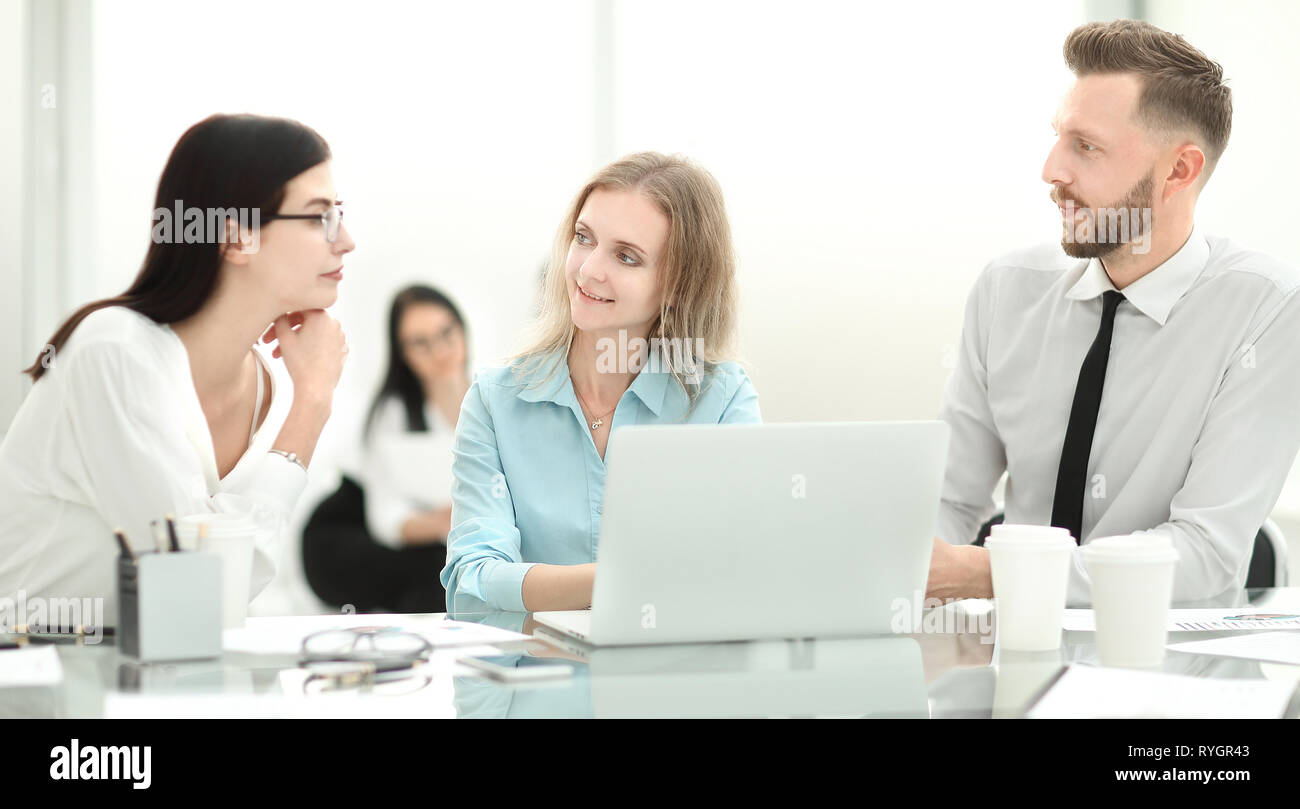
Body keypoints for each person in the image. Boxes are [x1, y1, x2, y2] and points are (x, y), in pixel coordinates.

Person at [930, 20, 1300, 606]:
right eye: (1058, 137)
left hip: (1171, 677)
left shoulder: (1268, 311)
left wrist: (996, 576)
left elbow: (1203, 555)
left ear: (1179, 171)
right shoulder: (1008, 290)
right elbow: (947, 502)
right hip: (1014, 661)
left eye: (1087, 146)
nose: (1052, 170)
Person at [0, 114, 354, 625]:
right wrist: (313, 404)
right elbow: (196, 592)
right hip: (30, 679)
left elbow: (220, 602)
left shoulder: (275, 382)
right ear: (235, 239)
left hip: (151, 672)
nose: (346, 240)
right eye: (319, 216)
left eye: (339, 213)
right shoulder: (115, 352)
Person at [441, 152, 762, 613]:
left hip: (675, 675)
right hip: (534, 674)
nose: (589, 269)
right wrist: (635, 579)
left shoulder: (721, 397)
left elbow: (741, 566)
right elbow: (472, 578)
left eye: (627, 256)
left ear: (678, 283)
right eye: (583, 238)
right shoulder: (496, 400)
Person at [302, 285, 469, 613]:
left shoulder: (492, 398)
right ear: (403, 353)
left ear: (462, 328)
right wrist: (440, 522)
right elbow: (385, 519)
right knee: (437, 575)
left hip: (437, 538)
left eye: (446, 333)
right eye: (420, 343)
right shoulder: (392, 413)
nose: (439, 351)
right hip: (349, 531)